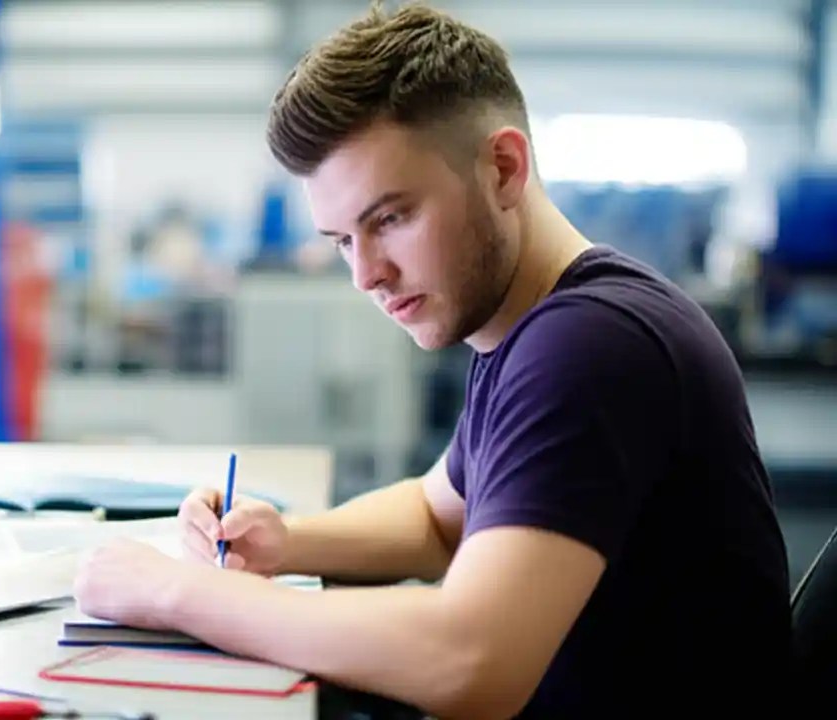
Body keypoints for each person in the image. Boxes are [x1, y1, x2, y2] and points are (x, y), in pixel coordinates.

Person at [71, 3, 792, 717]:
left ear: (504, 169)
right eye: (343, 240)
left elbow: (470, 660)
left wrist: (179, 592)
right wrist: (285, 541)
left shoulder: (590, 347)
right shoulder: (528, 328)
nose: (367, 275)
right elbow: (438, 518)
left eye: (390, 219)